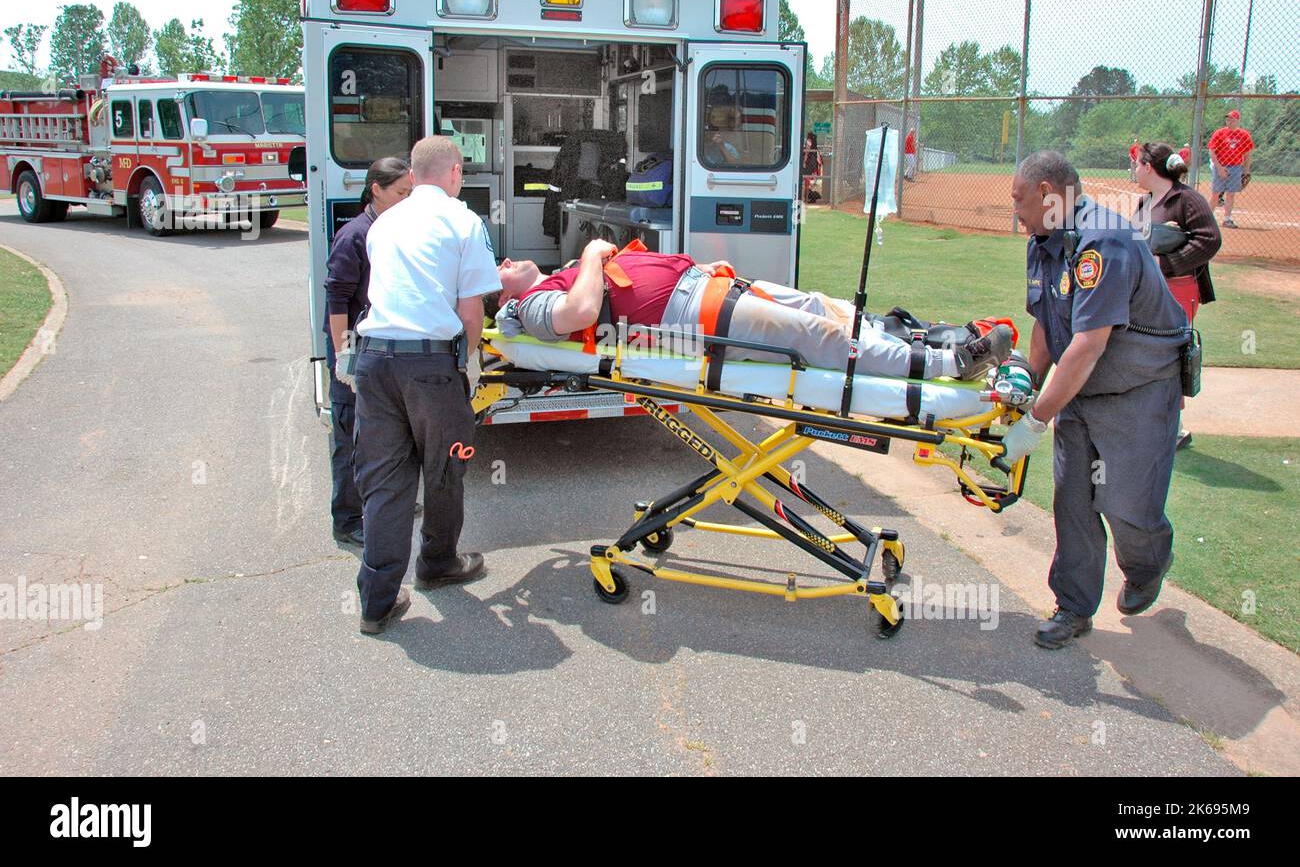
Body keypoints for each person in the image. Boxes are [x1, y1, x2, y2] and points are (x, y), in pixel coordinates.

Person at [1002, 151, 1190, 650]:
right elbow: (1047, 319)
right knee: (1075, 502)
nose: (1015, 211)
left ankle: (1148, 564)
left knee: (1128, 503)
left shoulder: (1103, 242)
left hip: (1137, 392)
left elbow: (1088, 344)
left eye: (1019, 199)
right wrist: (1028, 375)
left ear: (1047, 192)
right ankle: (1073, 606)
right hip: (1080, 390)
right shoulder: (1043, 242)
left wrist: (1037, 421)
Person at [336, 136, 500, 635]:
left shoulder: (385, 222)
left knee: (385, 481)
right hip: (429, 369)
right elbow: (471, 313)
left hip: (375, 363)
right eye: (461, 174)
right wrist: (467, 363)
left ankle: (377, 602)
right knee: (446, 467)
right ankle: (438, 562)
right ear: (453, 172)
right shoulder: (463, 220)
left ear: (416, 171)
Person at [494, 243, 1014, 381]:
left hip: (705, 288)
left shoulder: (558, 273)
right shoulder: (527, 309)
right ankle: (951, 365)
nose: (504, 260)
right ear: (496, 298)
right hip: (691, 320)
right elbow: (584, 311)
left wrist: (696, 266)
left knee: (817, 304)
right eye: (494, 269)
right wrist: (593, 252)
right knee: (817, 336)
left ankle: (923, 341)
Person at [323, 157, 413, 547]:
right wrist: (343, 354)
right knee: (351, 438)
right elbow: (337, 298)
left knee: (386, 435)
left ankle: (382, 502)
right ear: (375, 189)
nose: (407, 201)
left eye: (411, 193)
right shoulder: (355, 236)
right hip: (356, 351)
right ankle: (347, 519)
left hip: (386, 351)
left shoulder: (398, 231)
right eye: (400, 193)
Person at [1132, 141, 1221, 449]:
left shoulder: (1186, 199)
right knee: (1148, 350)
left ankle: (1174, 428)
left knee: (1168, 352)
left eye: (1137, 164)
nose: (1134, 170)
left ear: (1148, 167)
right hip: (1150, 289)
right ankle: (1159, 421)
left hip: (1179, 288)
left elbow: (1209, 240)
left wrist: (1166, 261)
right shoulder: (1146, 203)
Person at [1207, 109, 1253, 229]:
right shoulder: (1219, 133)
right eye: (1227, 119)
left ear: (1237, 120)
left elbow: (1247, 154)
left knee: (1231, 194)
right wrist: (1219, 168)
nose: (1229, 121)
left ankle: (1227, 219)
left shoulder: (1244, 135)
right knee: (1215, 194)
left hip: (1236, 167)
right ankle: (1207, 219)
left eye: (1231, 119)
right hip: (1220, 165)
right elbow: (1212, 152)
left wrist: (1246, 170)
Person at [801, 132, 823, 203]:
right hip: (808, 167)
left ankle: (806, 199)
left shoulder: (812, 148)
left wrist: (804, 162)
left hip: (808, 167)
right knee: (805, 183)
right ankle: (805, 199)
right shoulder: (814, 149)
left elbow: (807, 153)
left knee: (806, 183)